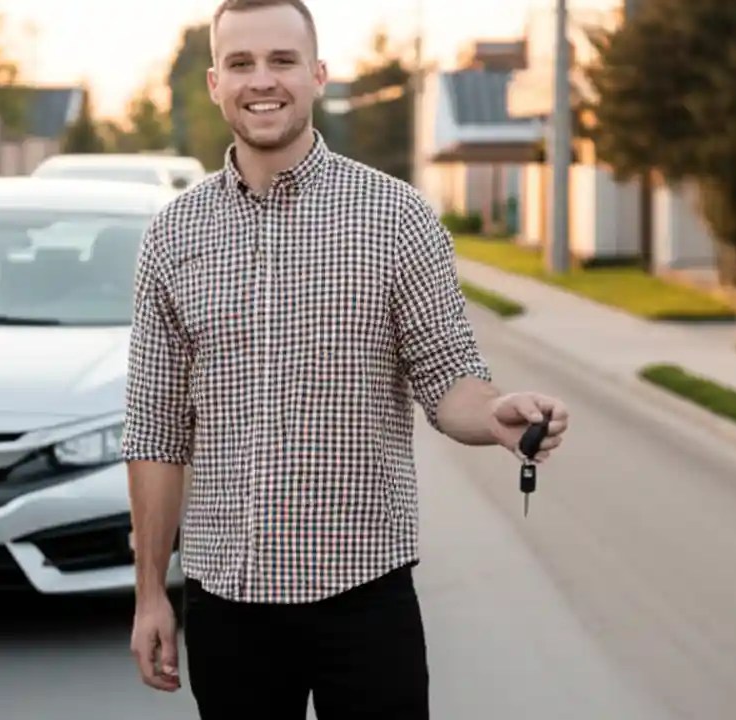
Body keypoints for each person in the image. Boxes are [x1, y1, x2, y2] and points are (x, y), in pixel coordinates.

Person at [121, 0, 570, 716]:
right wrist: (150, 595)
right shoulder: (172, 236)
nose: (261, 80)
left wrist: (496, 416)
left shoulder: (397, 218)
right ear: (214, 82)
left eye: (281, 60)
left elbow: (448, 378)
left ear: (318, 74)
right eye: (240, 63)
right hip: (227, 604)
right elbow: (155, 433)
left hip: (365, 598)